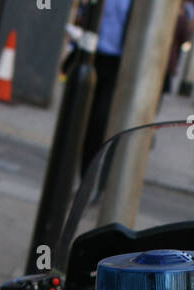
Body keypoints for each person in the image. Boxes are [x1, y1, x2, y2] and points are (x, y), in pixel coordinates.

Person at [80, 0, 134, 175]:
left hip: (118, 65)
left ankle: (99, 175)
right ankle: (86, 174)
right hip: (94, 57)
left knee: (101, 119)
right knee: (85, 119)